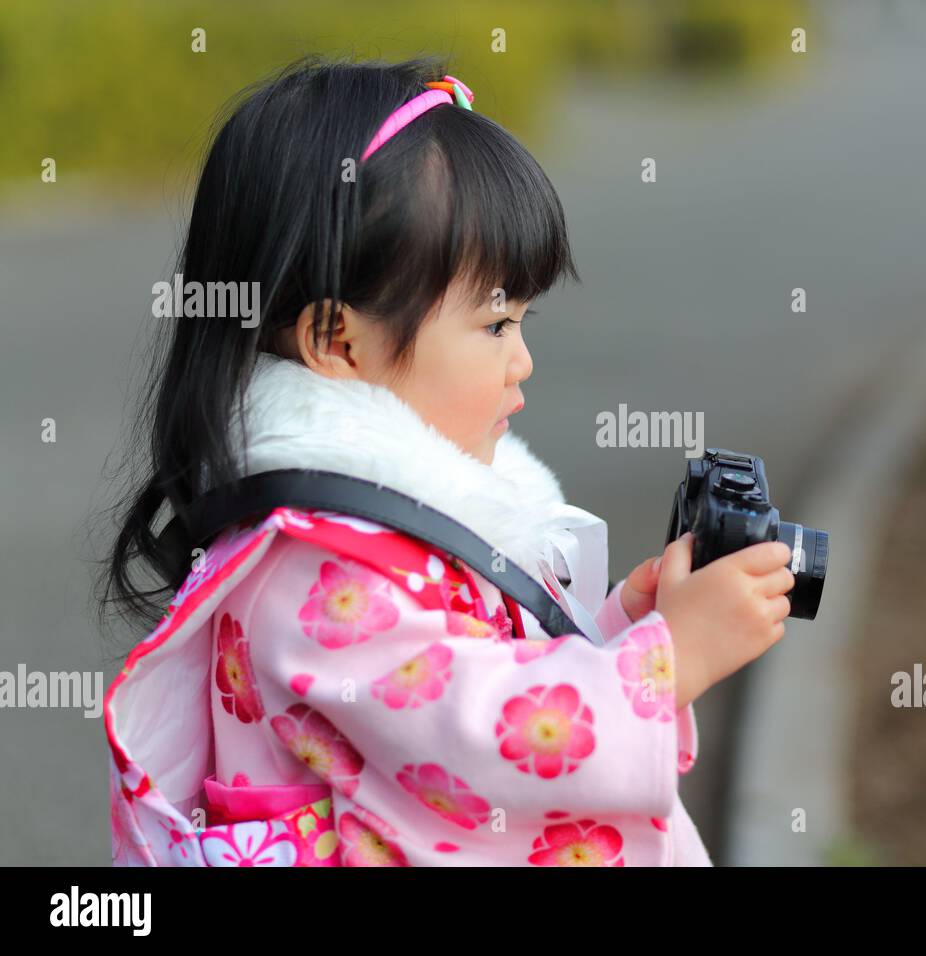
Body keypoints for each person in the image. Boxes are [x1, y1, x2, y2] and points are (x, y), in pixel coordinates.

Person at [98, 56, 795, 867]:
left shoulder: (366, 525)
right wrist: (673, 657)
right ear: (338, 341)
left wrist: (620, 633)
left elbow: (466, 680)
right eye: (497, 325)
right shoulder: (315, 568)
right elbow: (476, 743)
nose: (522, 359)